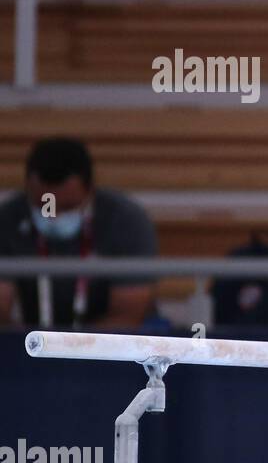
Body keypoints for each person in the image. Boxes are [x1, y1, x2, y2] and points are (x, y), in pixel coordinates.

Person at [0, 137, 160, 330]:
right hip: (31, 345)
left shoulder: (126, 220)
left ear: (90, 191)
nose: (53, 214)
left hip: (107, 346)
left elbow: (128, 314)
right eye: (44, 206)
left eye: (68, 207)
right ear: (27, 190)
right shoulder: (7, 219)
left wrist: (73, 349)